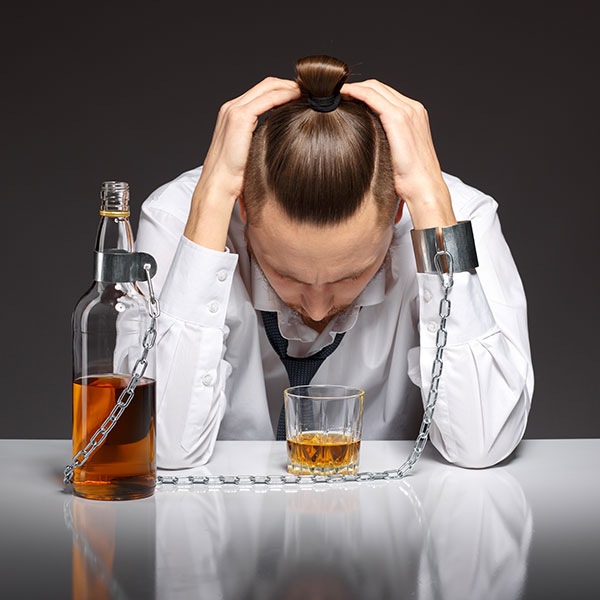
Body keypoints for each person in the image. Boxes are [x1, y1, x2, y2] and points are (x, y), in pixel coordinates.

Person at [134, 55, 533, 470]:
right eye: (286, 275)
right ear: (243, 209)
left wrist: (432, 201)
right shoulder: (179, 218)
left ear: (397, 213)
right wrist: (212, 198)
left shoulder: (454, 217)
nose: (319, 308)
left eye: (350, 276)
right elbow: (164, 448)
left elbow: (483, 443)